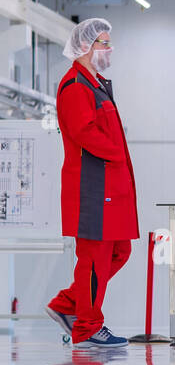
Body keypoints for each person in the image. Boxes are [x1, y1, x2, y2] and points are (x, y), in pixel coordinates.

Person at [46, 19, 139, 348]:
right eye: (103, 42)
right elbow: (83, 132)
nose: (108, 49)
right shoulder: (75, 86)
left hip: (109, 188)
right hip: (92, 190)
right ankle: (87, 326)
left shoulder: (95, 84)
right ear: (85, 47)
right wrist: (116, 150)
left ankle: (68, 304)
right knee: (95, 259)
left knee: (119, 251)